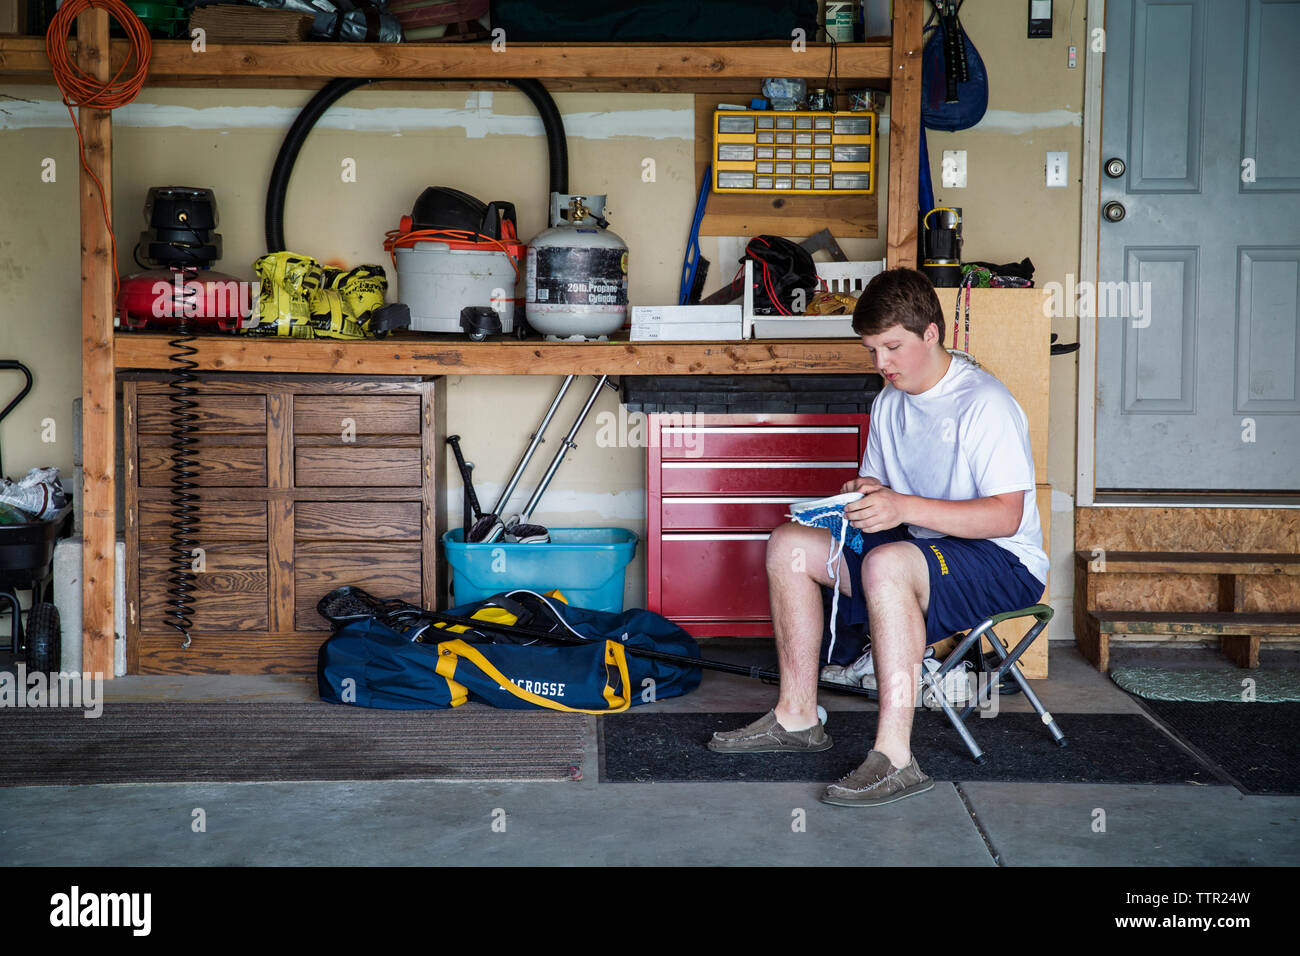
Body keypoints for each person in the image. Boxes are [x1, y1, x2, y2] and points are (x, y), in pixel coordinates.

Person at [708, 267, 1048, 807]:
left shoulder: (984, 402)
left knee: (888, 563)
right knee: (788, 545)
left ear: (931, 333)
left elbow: (1006, 516)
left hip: (1002, 562)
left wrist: (901, 505)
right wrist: (868, 493)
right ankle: (797, 718)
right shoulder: (889, 402)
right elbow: (892, 496)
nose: (880, 364)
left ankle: (895, 758)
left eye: (891, 347)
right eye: (871, 350)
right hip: (919, 549)